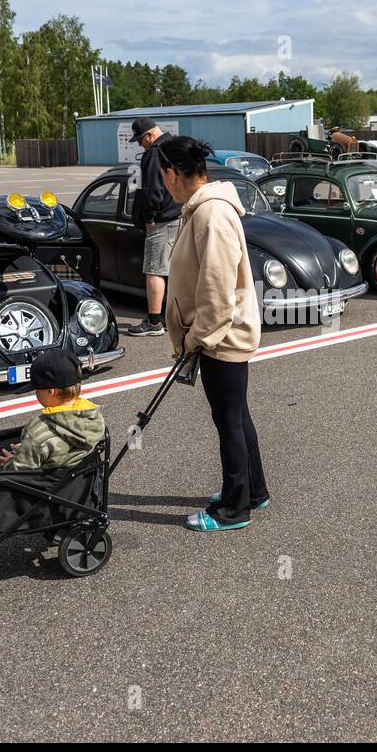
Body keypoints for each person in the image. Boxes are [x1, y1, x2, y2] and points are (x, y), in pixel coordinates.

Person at [161, 136, 269, 532]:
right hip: (216, 334)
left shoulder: (211, 216)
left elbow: (218, 292)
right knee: (236, 415)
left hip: (221, 336)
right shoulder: (200, 211)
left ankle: (234, 508)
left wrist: (195, 340)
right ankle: (253, 491)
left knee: (229, 421)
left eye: (162, 176)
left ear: (173, 174)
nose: (163, 185)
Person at [0, 351, 106, 471]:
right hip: (78, 483)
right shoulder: (94, 417)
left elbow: (19, 472)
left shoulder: (38, 434)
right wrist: (29, 448)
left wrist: (11, 462)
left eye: (37, 389)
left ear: (51, 392)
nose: (36, 394)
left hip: (43, 487)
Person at [126, 117, 181, 337]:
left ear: (149, 135)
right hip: (178, 215)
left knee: (154, 271)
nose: (140, 145)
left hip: (161, 220)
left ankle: (154, 321)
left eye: (141, 140)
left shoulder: (154, 152)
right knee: (175, 271)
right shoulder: (174, 146)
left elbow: (152, 189)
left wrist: (149, 218)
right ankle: (175, 316)